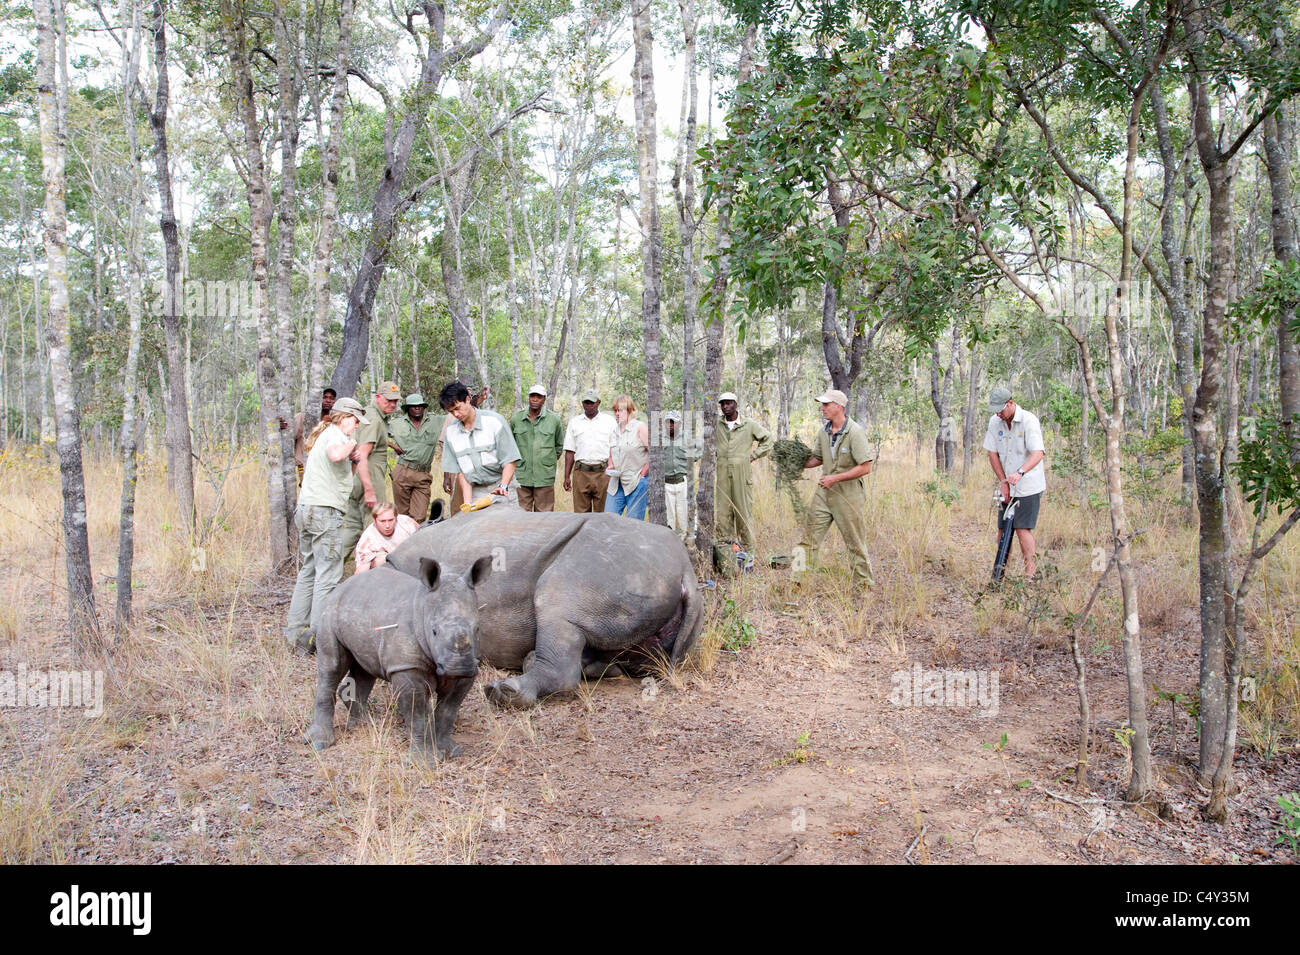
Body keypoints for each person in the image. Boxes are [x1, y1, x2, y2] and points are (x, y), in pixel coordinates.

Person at [283, 397, 368, 654]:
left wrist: (354, 461)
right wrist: (353, 445)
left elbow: (342, 475)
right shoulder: (336, 436)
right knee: (328, 575)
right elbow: (335, 455)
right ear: (344, 417)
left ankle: (295, 631)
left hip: (308, 509)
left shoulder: (328, 435)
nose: (356, 427)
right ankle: (318, 638)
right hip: (324, 512)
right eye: (355, 421)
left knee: (309, 570)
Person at [793, 389, 876, 587]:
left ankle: (864, 585)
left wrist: (836, 478)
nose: (822, 409)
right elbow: (818, 458)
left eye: (826, 405)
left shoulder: (855, 432)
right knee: (808, 538)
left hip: (848, 495)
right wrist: (796, 461)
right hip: (824, 493)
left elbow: (865, 467)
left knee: (855, 542)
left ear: (839, 407)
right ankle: (798, 582)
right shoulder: (824, 431)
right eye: (822, 405)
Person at [983, 385, 1046, 578]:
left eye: (1001, 409)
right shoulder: (995, 422)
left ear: (1010, 403)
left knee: (1021, 528)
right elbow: (992, 453)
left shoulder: (1029, 421)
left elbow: (1038, 453)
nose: (999, 414)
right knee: (1003, 529)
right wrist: (1003, 481)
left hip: (1028, 485)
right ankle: (1000, 572)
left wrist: (1020, 473)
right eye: (996, 410)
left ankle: (1030, 575)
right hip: (1007, 484)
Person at [341, 381, 401, 562]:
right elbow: (362, 455)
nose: (392, 404)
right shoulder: (374, 419)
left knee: (352, 528)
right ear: (378, 397)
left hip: (356, 480)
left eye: (395, 401)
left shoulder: (370, 415)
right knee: (376, 530)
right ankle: (372, 574)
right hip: (369, 480)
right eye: (388, 400)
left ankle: (328, 571)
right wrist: (369, 490)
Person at [440, 380, 523, 507]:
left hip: (501, 487)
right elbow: (462, 473)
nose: (456, 414)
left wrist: (503, 485)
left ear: (467, 399)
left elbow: (510, 460)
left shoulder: (494, 422)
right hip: (476, 492)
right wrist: (468, 503)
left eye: (457, 408)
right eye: (451, 411)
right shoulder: (451, 433)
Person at [715, 391, 772, 552]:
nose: (725, 406)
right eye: (722, 403)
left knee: (743, 512)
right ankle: (725, 552)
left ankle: (748, 553)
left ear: (736, 404)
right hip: (722, 473)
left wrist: (753, 456)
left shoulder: (748, 424)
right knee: (722, 513)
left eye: (729, 403)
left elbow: (768, 439)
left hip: (742, 473)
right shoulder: (717, 424)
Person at [389, 392, 444, 522]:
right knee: (402, 517)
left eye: (420, 405)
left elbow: (454, 416)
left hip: (423, 474)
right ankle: (402, 542)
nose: (417, 408)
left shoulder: (435, 421)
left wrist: (474, 400)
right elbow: (377, 431)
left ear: (424, 407)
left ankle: (415, 540)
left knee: (419, 517)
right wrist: (392, 445)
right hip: (403, 471)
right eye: (413, 406)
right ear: (408, 408)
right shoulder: (397, 424)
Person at [509, 384, 565, 512]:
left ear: (544, 399)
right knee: (520, 516)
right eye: (532, 396)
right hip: (521, 477)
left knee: (544, 518)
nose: (535, 399)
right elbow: (510, 446)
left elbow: (558, 446)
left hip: (544, 477)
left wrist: (546, 462)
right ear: (528, 398)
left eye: (538, 397)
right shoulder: (516, 419)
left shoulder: (554, 420)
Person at [563, 389, 619, 512]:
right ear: (582, 403)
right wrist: (567, 476)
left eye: (592, 403)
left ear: (598, 403)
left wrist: (613, 472)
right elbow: (570, 451)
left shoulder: (609, 421)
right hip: (581, 473)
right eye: (586, 402)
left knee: (603, 515)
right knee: (581, 516)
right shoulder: (574, 422)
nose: (588, 405)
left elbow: (614, 449)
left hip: (603, 473)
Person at [606, 395, 650, 519]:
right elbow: (610, 455)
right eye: (615, 411)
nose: (617, 414)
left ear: (629, 410)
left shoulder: (640, 427)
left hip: (636, 482)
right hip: (616, 484)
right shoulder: (614, 431)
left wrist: (643, 474)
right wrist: (611, 466)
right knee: (608, 520)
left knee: (633, 524)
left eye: (620, 410)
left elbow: (655, 454)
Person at [662, 410, 699, 542]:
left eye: (673, 422)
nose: (670, 425)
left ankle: (687, 542)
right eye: (668, 422)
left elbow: (698, 452)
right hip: (666, 483)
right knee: (669, 516)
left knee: (684, 514)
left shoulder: (687, 438)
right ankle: (670, 542)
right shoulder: (661, 439)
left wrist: (688, 461)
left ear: (680, 423)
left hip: (682, 481)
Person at [354, 502, 420, 572]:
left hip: (410, 561)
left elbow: (423, 540)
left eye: (391, 520)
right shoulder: (367, 539)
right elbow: (360, 571)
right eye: (382, 521)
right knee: (381, 560)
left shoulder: (407, 523)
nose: (387, 525)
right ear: (374, 520)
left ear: (396, 517)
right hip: (387, 571)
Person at [291, 388, 336, 484]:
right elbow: (290, 436)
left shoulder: (335, 421)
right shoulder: (302, 417)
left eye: (331, 398)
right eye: (325, 397)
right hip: (305, 464)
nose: (328, 400)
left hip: (327, 465)